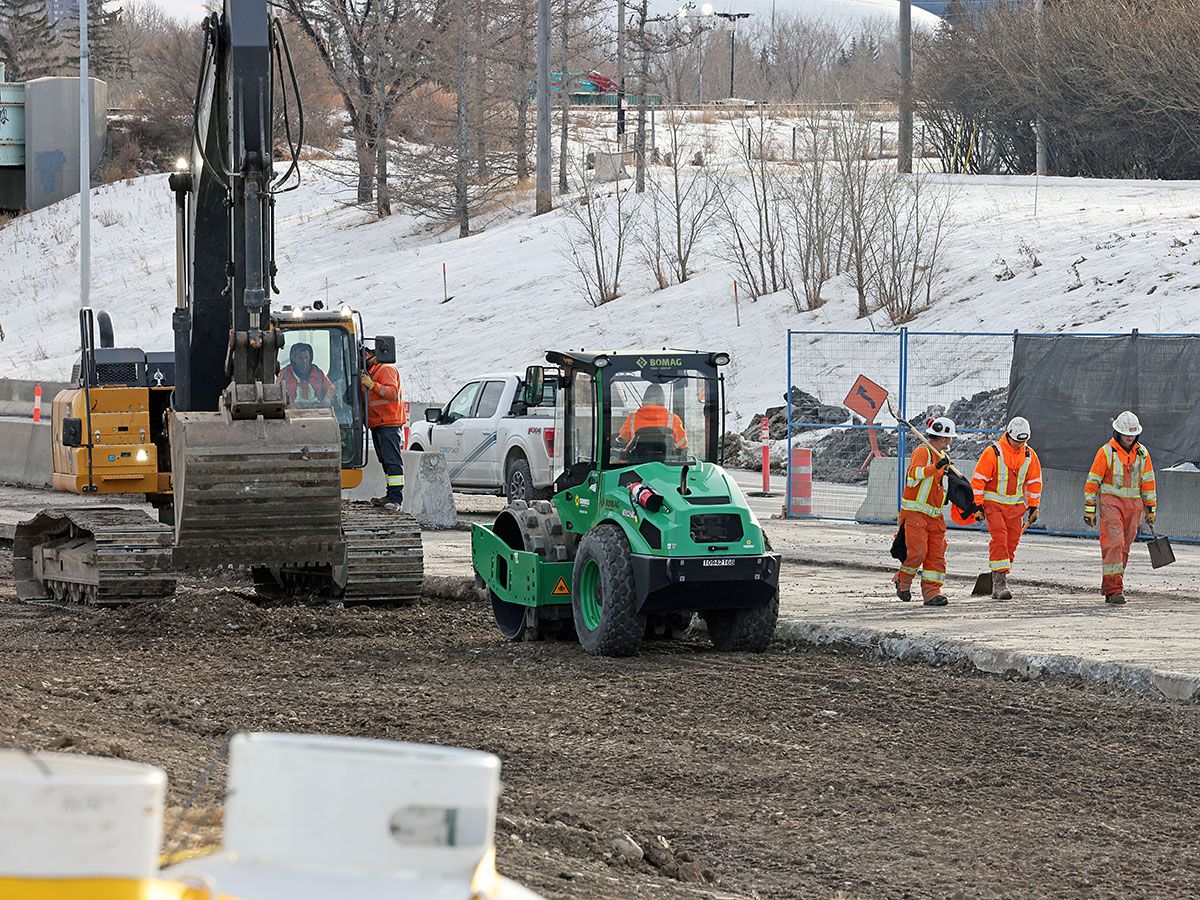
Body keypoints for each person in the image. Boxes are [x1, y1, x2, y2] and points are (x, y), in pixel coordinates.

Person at [1084, 410, 1157, 605]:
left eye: (1132, 435)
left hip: (1134, 509)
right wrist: (1089, 509)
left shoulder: (1142, 454)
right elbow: (1092, 482)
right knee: (1114, 544)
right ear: (1118, 433)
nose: (1129, 438)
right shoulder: (1106, 452)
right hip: (1111, 506)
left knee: (1123, 547)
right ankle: (1114, 590)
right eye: (1126, 435)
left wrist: (1150, 509)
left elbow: (1148, 483)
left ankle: (1110, 583)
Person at [971, 416, 1043, 600]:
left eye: (1024, 441)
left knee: (1011, 543)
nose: (1020, 445)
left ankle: (999, 573)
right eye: (1018, 441)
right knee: (1000, 539)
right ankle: (1000, 583)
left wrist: (1034, 505)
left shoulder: (1029, 455)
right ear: (1009, 435)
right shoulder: (993, 453)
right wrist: (977, 505)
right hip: (994, 506)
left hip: (1015, 509)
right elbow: (978, 481)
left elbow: (1034, 482)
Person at [894, 417, 956, 607]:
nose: (950, 442)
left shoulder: (942, 458)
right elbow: (914, 475)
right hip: (915, 513)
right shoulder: (923, 451)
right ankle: (902, 580)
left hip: (935, 515)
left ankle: (932, 593)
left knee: (936, 556)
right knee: (918, 553)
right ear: (942, 438)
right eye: (948, 439)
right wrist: (936, 466)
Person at [361, 345, 407, 512]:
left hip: (389, 422)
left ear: (367, 354)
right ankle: (390, 494)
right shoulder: (370, 373)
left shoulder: (385, 369)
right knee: (385, 461)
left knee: (392, 461)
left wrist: (373, 386)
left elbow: (392, 392)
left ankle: (396, 499)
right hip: (378, 423)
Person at [617, 383, 687, 452]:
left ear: (644, 400)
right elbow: (682, 443)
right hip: (665, 461)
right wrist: (672, 446)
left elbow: (624, 435)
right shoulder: (673, 419)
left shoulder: (632, 418)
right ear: (663, 400)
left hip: (636, 461)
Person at [279, 342, 334, 408]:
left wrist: (326, 399)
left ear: (310, 358)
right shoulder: (285, 373)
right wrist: (288, 404)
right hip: (293, 412)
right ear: (293, 358)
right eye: (300, 358)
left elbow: (331, 388)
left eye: (306, 357)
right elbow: (276, 391)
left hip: (317, 412)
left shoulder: (318, 373)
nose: (304, 361)